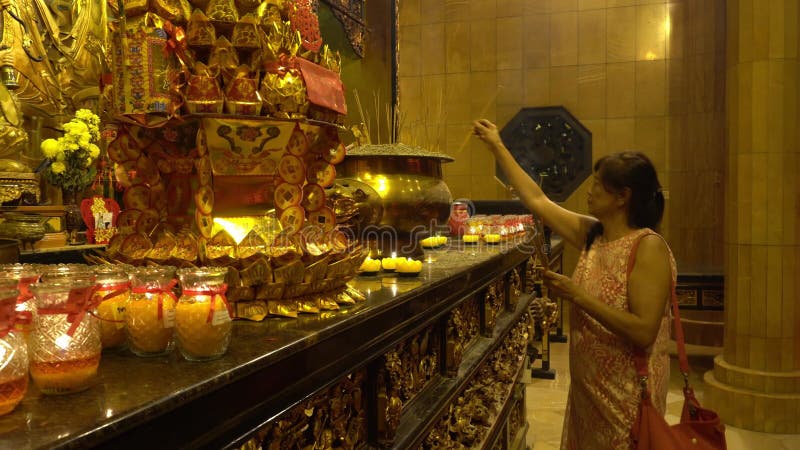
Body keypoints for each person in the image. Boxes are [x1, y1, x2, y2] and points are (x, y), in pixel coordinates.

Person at [472, 118, 675, 449]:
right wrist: (496, 145)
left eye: (598, 184)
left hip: (625, 396)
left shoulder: (647, 247)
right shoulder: (595, 234)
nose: (590, 190)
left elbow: (643, 330)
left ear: (623, 196)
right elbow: (537, 200)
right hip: (589, 391)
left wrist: (576, 295)